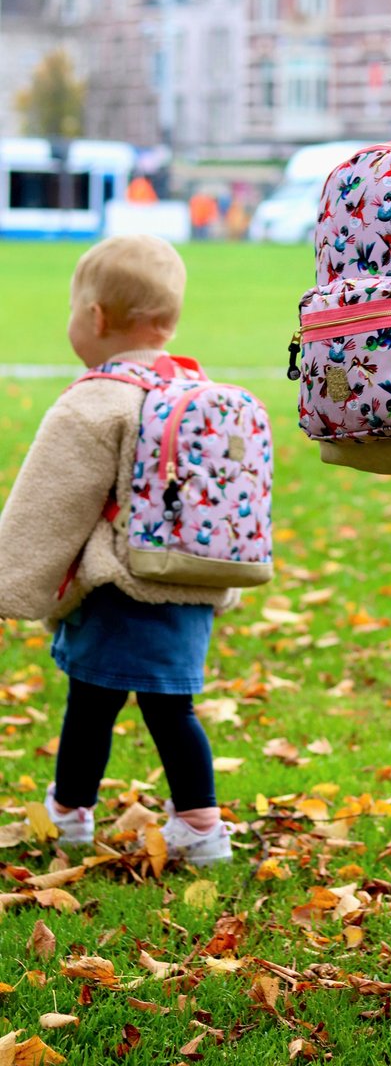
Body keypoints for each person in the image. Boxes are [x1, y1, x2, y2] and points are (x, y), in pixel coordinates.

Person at [0, 235, 234, 865]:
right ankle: (202, 826)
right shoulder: (198, 390)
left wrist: (8, 584)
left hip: (117, 590)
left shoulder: (95, 401)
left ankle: (71, 812)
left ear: (95, 317)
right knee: (174, 710)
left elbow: (49, 505)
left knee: (90, 704)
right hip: (189, 586)